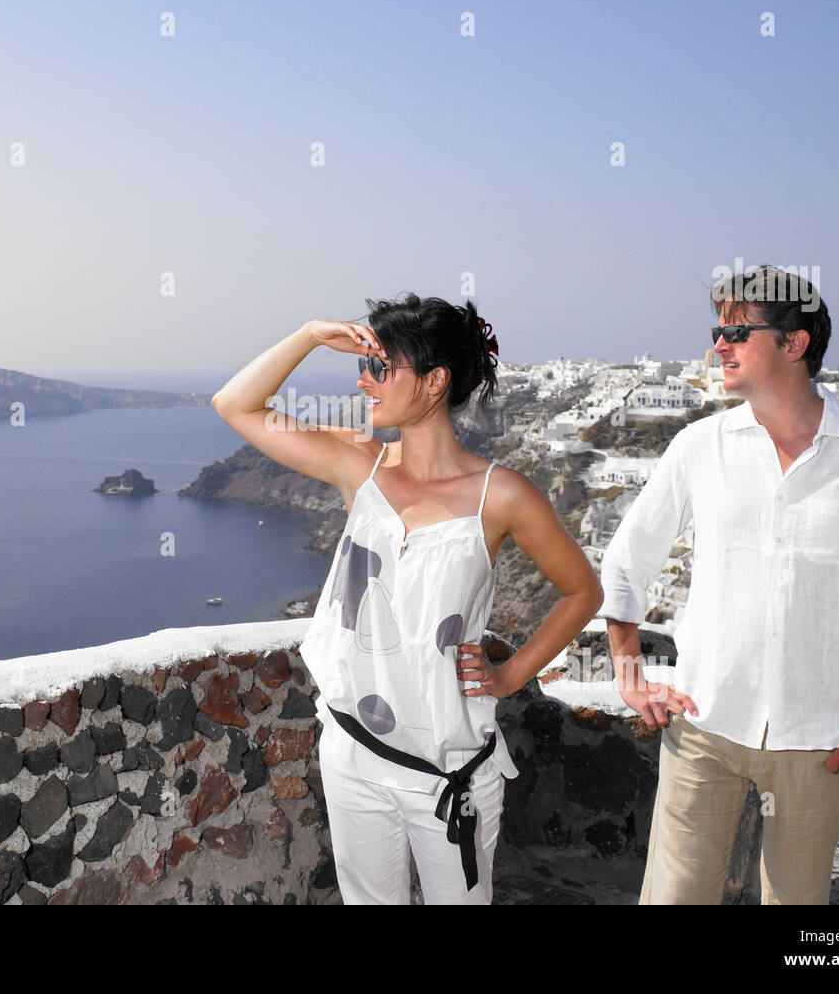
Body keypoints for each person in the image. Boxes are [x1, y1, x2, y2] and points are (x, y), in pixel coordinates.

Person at [212, 294, 602, 904]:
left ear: (435, 381)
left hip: (451, 775)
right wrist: (310, 334)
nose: (365, 382)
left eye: (382, 368)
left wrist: (510, 674)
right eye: (363, 368)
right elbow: (234, 405)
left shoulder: (501, 497)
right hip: (354, 753)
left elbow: (583, 591)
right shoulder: (358, 463)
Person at [599, 266, 839, 905]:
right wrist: (628, 672)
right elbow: (625, 562)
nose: (717, 344)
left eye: (736, 331)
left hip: (817, 730)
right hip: (704, 722)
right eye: (716, 330)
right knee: (673, 897)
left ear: (794, 343)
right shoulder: (701, 445)